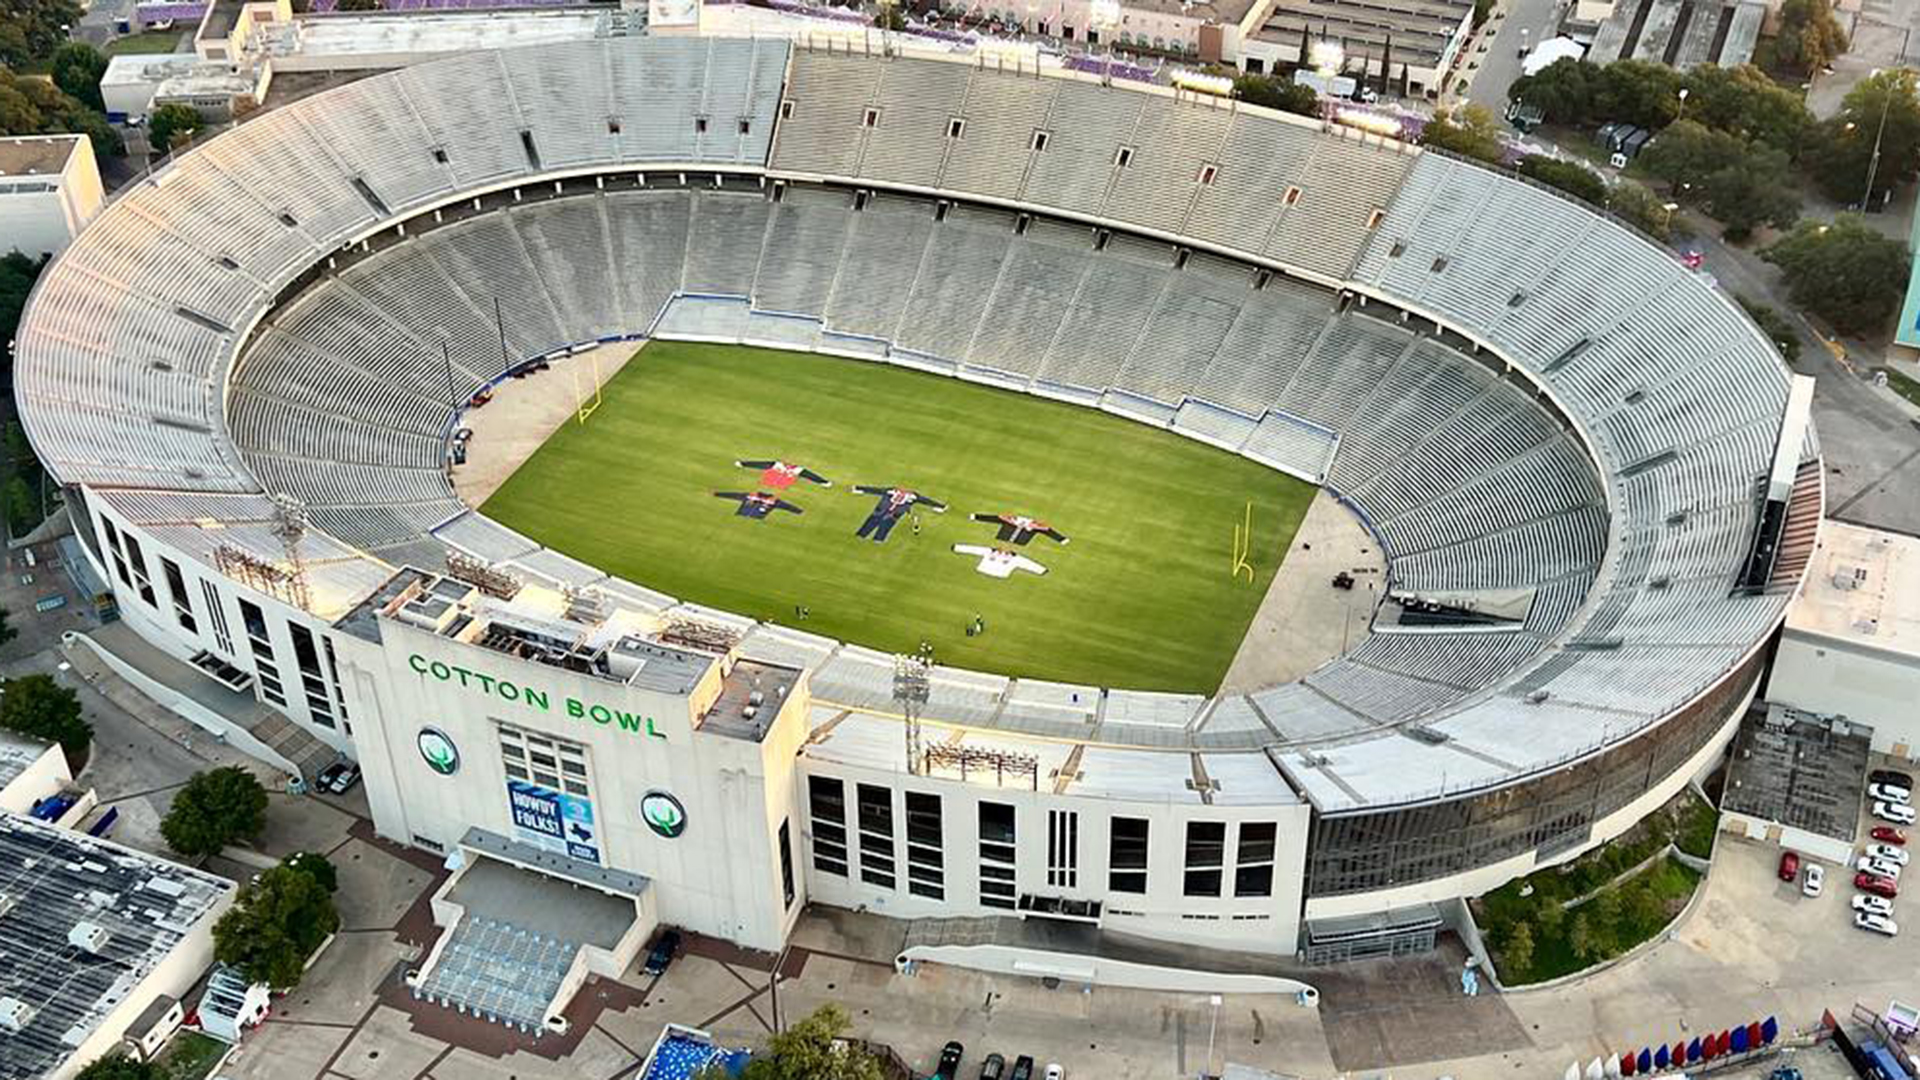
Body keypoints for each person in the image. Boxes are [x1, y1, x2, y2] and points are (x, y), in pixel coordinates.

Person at [850, 484, 947, 543]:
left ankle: (863, 535)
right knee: (883, 530)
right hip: (893, 514)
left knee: (870, 525)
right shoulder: (914, 496)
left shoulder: (891, 490)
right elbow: (926, 501)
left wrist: (858, 488)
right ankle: (876, 539)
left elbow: (876, 490)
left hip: (881, 510)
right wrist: (940, 506)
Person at [970, 511, 1070, 546]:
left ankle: (1062, 539)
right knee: (996, 519)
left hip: (1022, 530)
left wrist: (1061, 539)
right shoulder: (1012, 521)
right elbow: (997, 517)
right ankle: (975, 517)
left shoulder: (1032, 526)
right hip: (1015, 529)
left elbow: (1047, 529)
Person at [735, 459, 831, 490]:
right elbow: (809, 475)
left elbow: (809, 475)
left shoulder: (780, 466)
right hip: (781, 477)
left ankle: (742, 463)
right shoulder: (783, 467)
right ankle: (824, 482)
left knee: (768, 465)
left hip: (781, 478)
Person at [712, 490, 803, 520]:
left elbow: (786, 506)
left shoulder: (773, 501)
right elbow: (734, 495)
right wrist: (718, 494)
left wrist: (798, 511)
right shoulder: (750, 496)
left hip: (756, 516)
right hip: (742, 514)